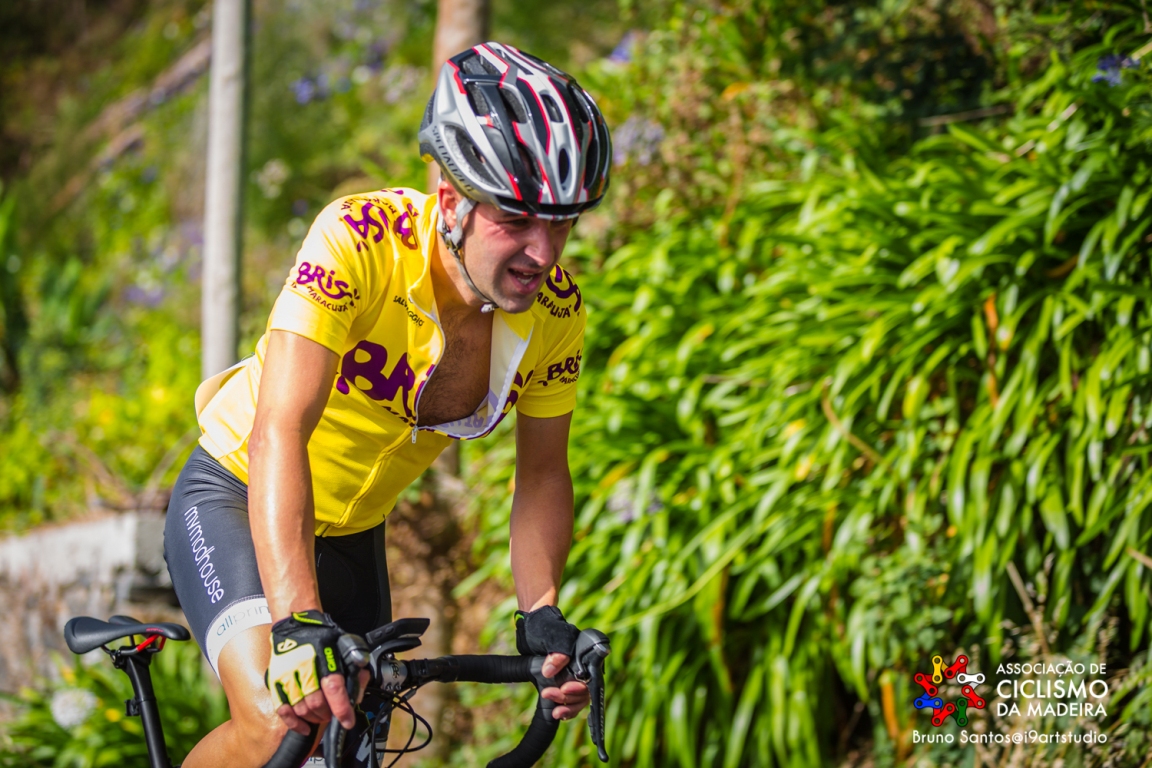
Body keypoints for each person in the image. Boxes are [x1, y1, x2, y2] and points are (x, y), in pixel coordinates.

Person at [162, 41, 611, 767]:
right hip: (239, 494)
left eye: (562, 223)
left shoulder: (556, 313)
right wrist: (297, 621)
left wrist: (543, 612)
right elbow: (281, 428)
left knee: (353, 742)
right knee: (283, 723)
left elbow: (542, 474)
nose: (544, 252)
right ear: (452, 203)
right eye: (517, 220)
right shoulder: (359, 242)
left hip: (355, 533)